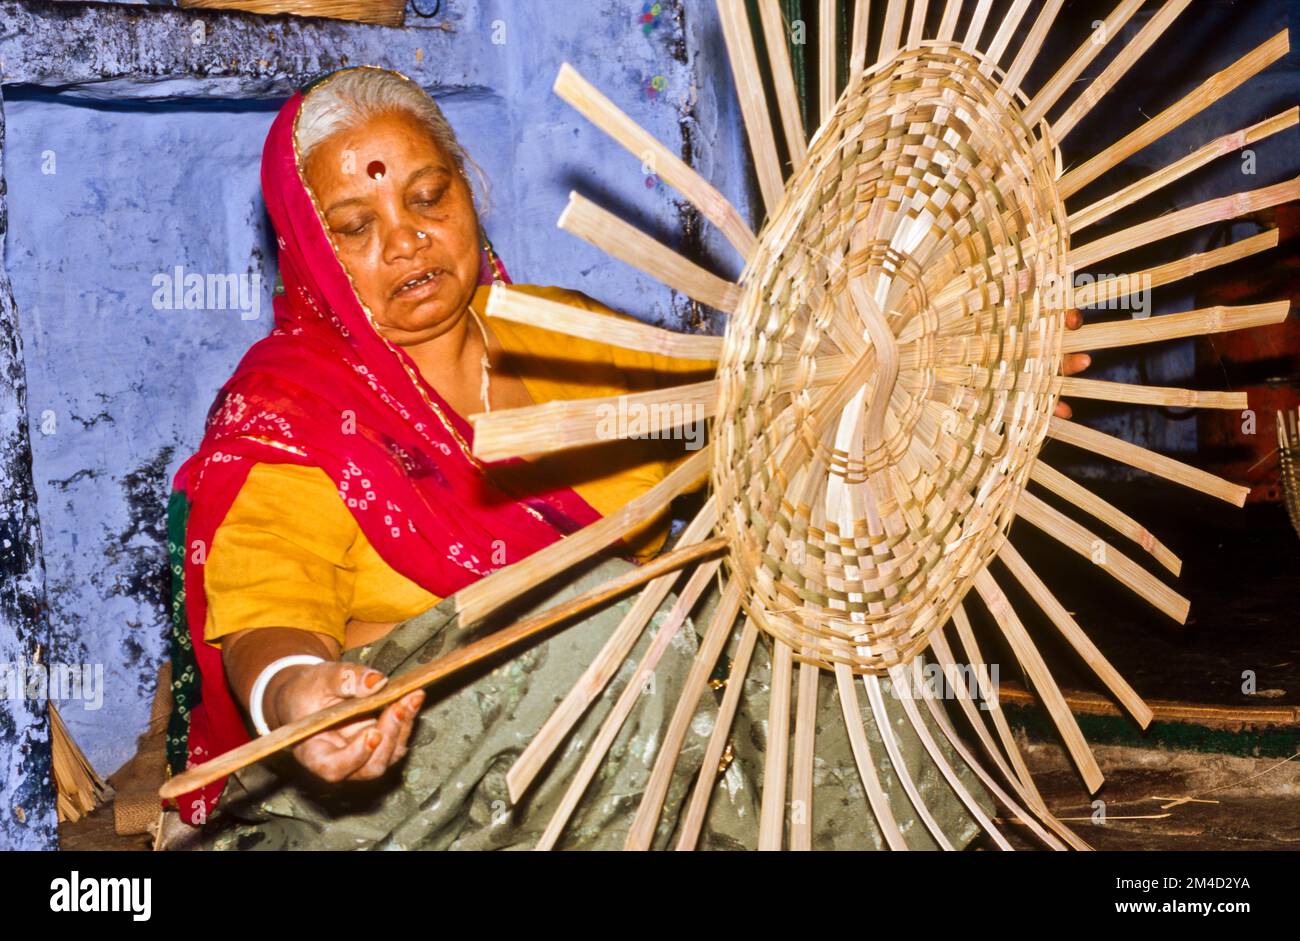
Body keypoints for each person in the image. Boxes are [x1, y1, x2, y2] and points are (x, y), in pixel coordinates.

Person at [162, 66, 1088, 851]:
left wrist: (972, 357)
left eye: (427, 195)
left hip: (625, 730)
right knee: (582, 610)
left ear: (468, 189)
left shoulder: (562, 335)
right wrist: (304, 696)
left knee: (829, 619)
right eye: (353, 226)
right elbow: (261, 621)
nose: (404, 238)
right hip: (386, 787)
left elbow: (775, 402)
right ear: (309, 255)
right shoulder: (291, 411)